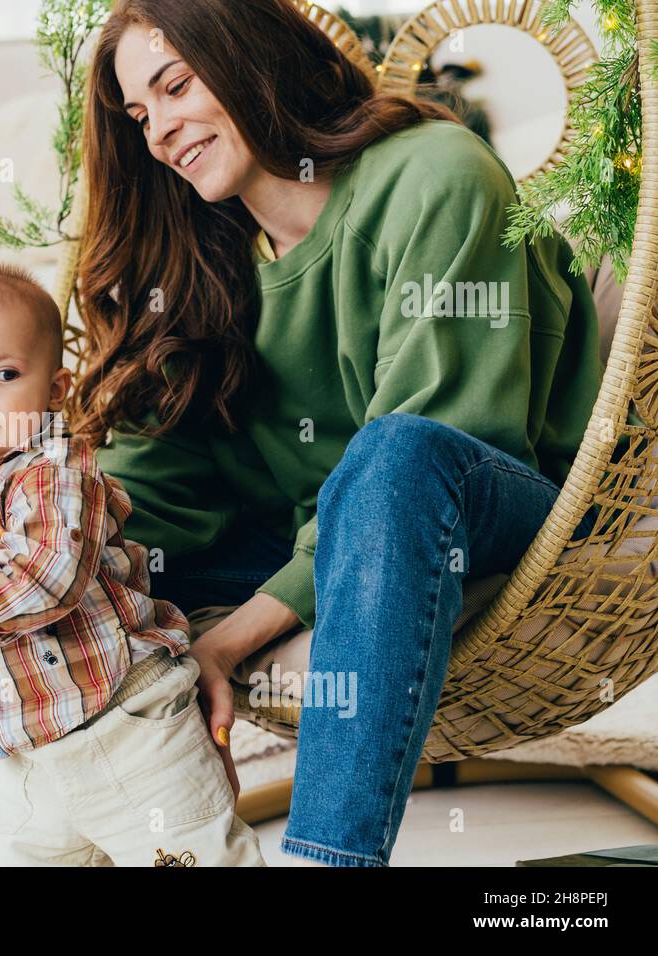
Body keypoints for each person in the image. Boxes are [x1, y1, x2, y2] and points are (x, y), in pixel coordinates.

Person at [76, 0, 603, 866]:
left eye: (175, 87)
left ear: (247, 55)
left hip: (499, 510)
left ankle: (330, 859)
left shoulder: (434, 175)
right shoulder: (208, 262)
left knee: (391, 456)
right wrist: (22, 541)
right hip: (324, 541)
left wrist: (229, 638)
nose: (162, 132)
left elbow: (442, 433)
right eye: (141, 117)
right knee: (88, 546)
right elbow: (157, 474)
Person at [0, 261, 265, 866]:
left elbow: (47, 577)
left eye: (5, 374)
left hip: (126, 728)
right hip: (30, 752)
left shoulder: (56, 474)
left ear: (54, 392)